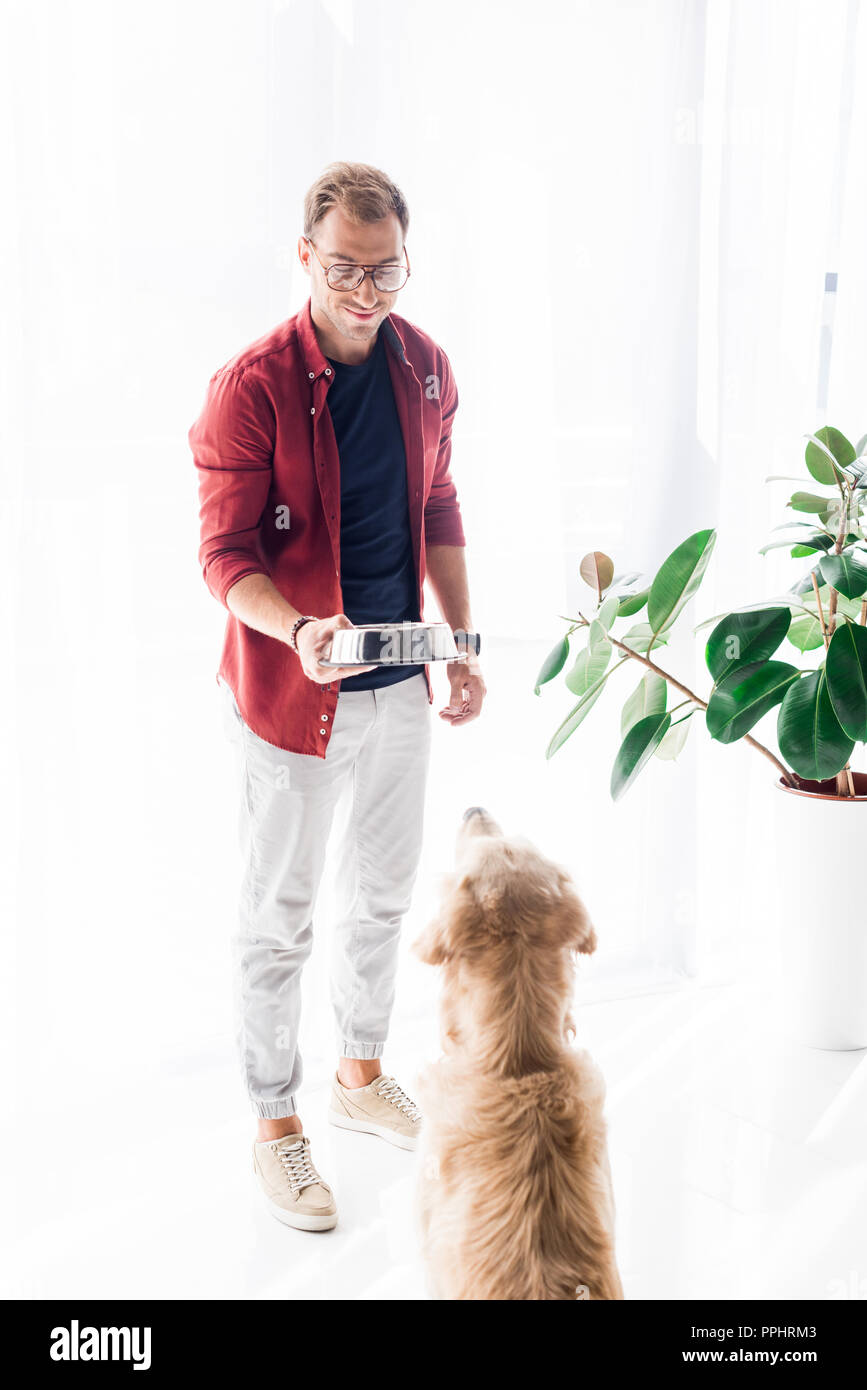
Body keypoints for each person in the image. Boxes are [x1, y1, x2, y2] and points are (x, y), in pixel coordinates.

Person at [188, 161, 486, 1231]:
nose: (367, 289)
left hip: (400, 678)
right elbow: (225, 558)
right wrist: (303, 628)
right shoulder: (251, 386)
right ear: (305, 257)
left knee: (385, 894)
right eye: (346, 268)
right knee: (280, 917)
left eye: (387, 268)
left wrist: (459, 641)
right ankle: (276, 1124)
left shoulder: (427, 370)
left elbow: (440, 502)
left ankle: (359, 1077)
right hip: (287, 693)